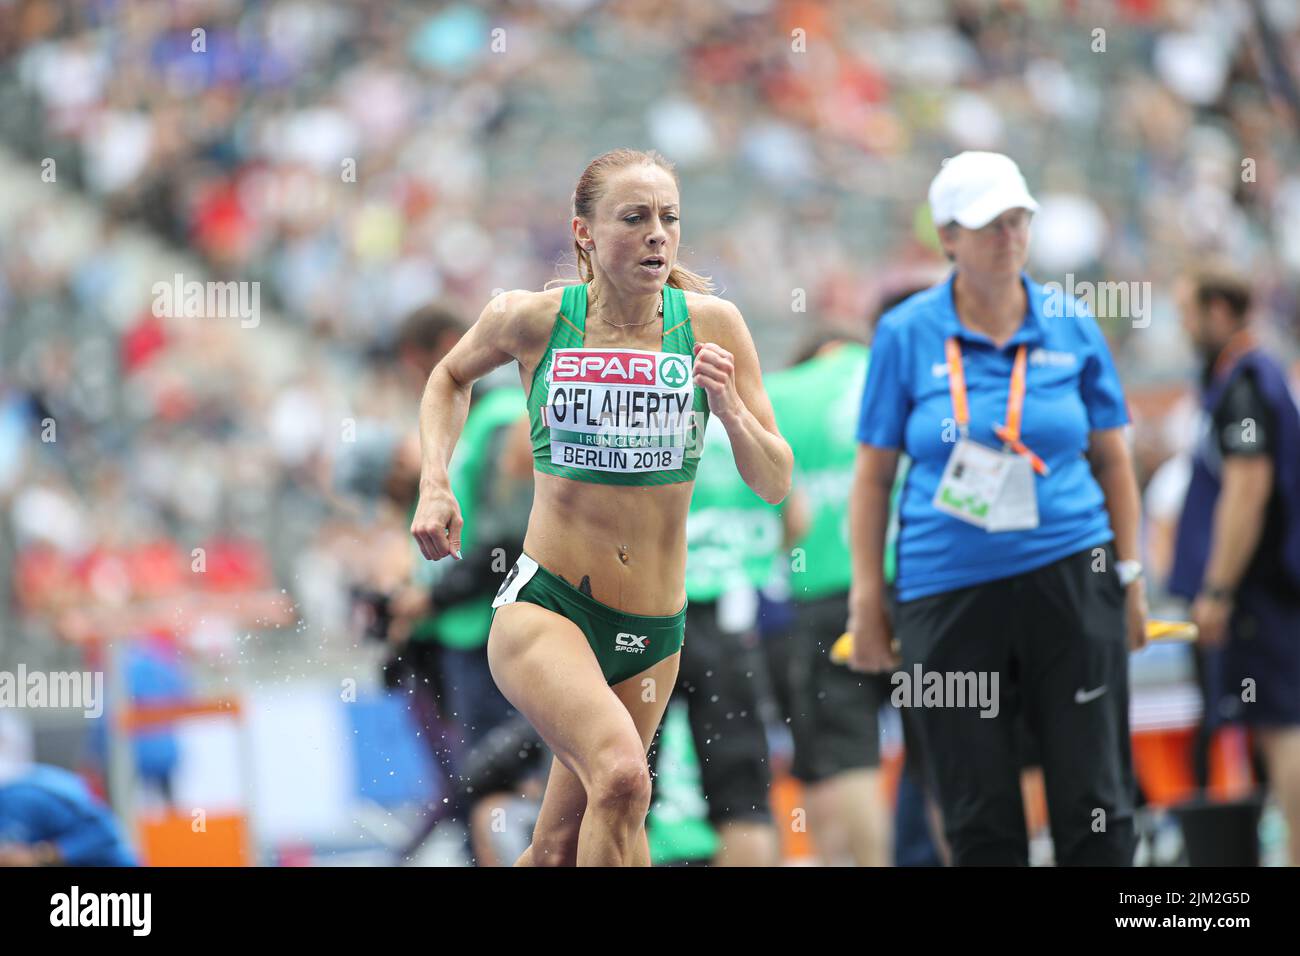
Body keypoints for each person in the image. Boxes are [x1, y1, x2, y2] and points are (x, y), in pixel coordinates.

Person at [410, 148, 792, 867]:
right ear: (584, 232)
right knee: (622, 777)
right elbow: (447, 376)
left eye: (669, 219)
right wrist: (437, 482)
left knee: (556, 846)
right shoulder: (532, 319)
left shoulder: (713, 327)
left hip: (653, 630)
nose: (657, 234)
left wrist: (731, 409)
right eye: (635, 217)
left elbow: (774, 481)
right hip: (549, 607)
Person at [849, 151, 1146, 866]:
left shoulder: (1072, 323)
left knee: (1096, 801)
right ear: (948, 235)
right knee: (976, 808)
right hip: (944, 593)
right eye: (989, 224)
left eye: (1019, 220)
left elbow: (1113, 462)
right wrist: (867, 599)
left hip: (1072, 577)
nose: (1009, 236)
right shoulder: (905, 334)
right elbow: (873, 478)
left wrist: (1129, 574)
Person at [1170, 268, 1300, 865]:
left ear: (1219, 309)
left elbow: (1248, 487)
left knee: (1284, 726)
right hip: (1263, 593)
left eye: (1188, 311)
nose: (1183, 326)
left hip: (1264, 593)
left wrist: (1218, 589)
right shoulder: (1238, 378)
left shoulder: (1246, 381)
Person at [764, 331, 893, 865]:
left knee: (846, 759)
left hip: (824, 597)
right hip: (915, 583)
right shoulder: (895, 368)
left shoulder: (780, 394)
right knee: (947, 750)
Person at [651, 414, 784, 866]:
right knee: (743, 799)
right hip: (730, 616)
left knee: (624, 797)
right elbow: (794, 514)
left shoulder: (634, 405)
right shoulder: (746, 422)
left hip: (648, 611)